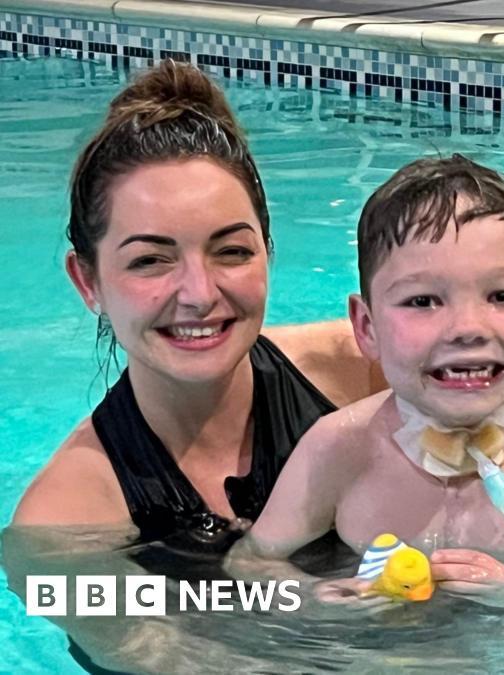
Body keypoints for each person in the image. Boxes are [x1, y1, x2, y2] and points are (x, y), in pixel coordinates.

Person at [5, 60, 381, 671]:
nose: (200, 293)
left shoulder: (363, 370)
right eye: (151, 261)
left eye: (231, 250)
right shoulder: (58, 531)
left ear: (268, 250)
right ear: (87, 280)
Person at [228, 155, 504, 610]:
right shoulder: (339, 451)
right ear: (366, 328)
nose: (468, 327)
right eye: (423, 301)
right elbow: (250, 563)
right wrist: (316, 594)